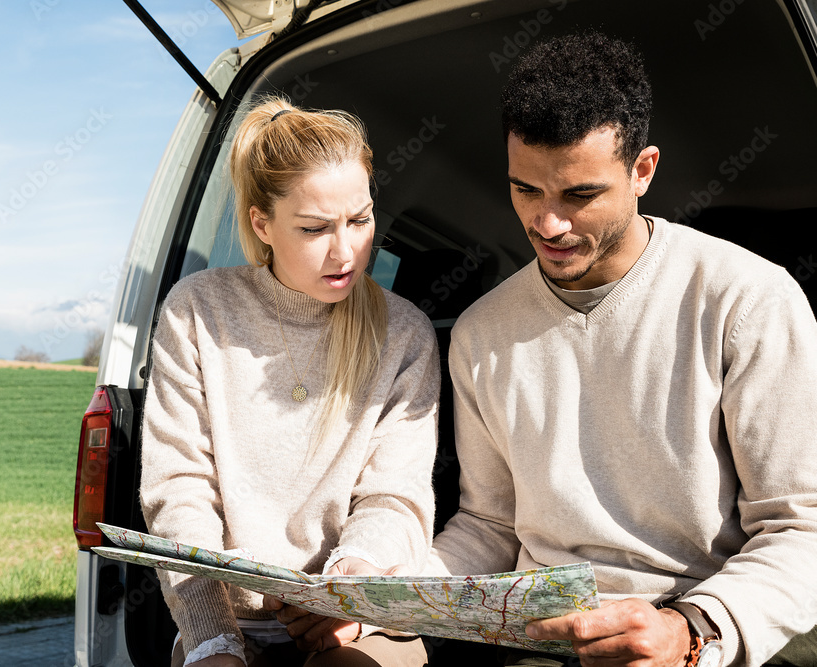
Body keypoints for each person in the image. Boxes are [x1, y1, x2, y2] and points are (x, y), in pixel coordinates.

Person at [426, 32, 817, 667]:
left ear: (642, 171)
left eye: (579, 195)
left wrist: (691, 632)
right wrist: (380, 597)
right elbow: (491, 528)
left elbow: (801, 528)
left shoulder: (749, 301)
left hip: (709, 625)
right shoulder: (478, 334)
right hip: (544, 642)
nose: (548, 224)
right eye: (525, 190)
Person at [139, 98, 439, 667]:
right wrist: (212, 638)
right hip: (225, 619)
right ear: (262, 224)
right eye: (314, 229)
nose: (346, 251)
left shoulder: (405, 334)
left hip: (360, 616)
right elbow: (179, 490)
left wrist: (348, 590)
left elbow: (394, 497)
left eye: (360, 219)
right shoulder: (199, 311)